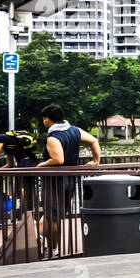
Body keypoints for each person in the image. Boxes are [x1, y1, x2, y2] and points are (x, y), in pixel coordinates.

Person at [38, 104, 101, 258]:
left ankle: (52, 249)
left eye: (44, 119)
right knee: (53, 216)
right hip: (70, 180)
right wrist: (95, 161)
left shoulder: (53, 137)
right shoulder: (75, 130)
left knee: (52, 217)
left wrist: (41, 164)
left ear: (47, 119)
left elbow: (58, 159)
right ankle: (40, 238)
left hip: (54, 181)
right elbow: (94, 141)